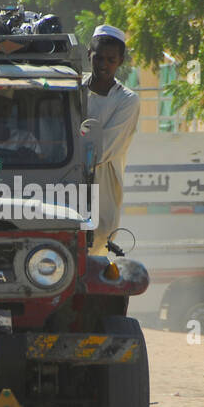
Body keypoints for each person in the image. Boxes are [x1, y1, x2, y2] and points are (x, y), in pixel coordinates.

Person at [83, 24, 141, 250]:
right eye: (98, 58)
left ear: (120, 61)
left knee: (97, 241)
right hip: (63, 184)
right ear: (89, 53)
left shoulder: (127, 101)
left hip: (102, 187)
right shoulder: (72, 89)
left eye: (110, 60)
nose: (103, 65)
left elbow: (101, 151)